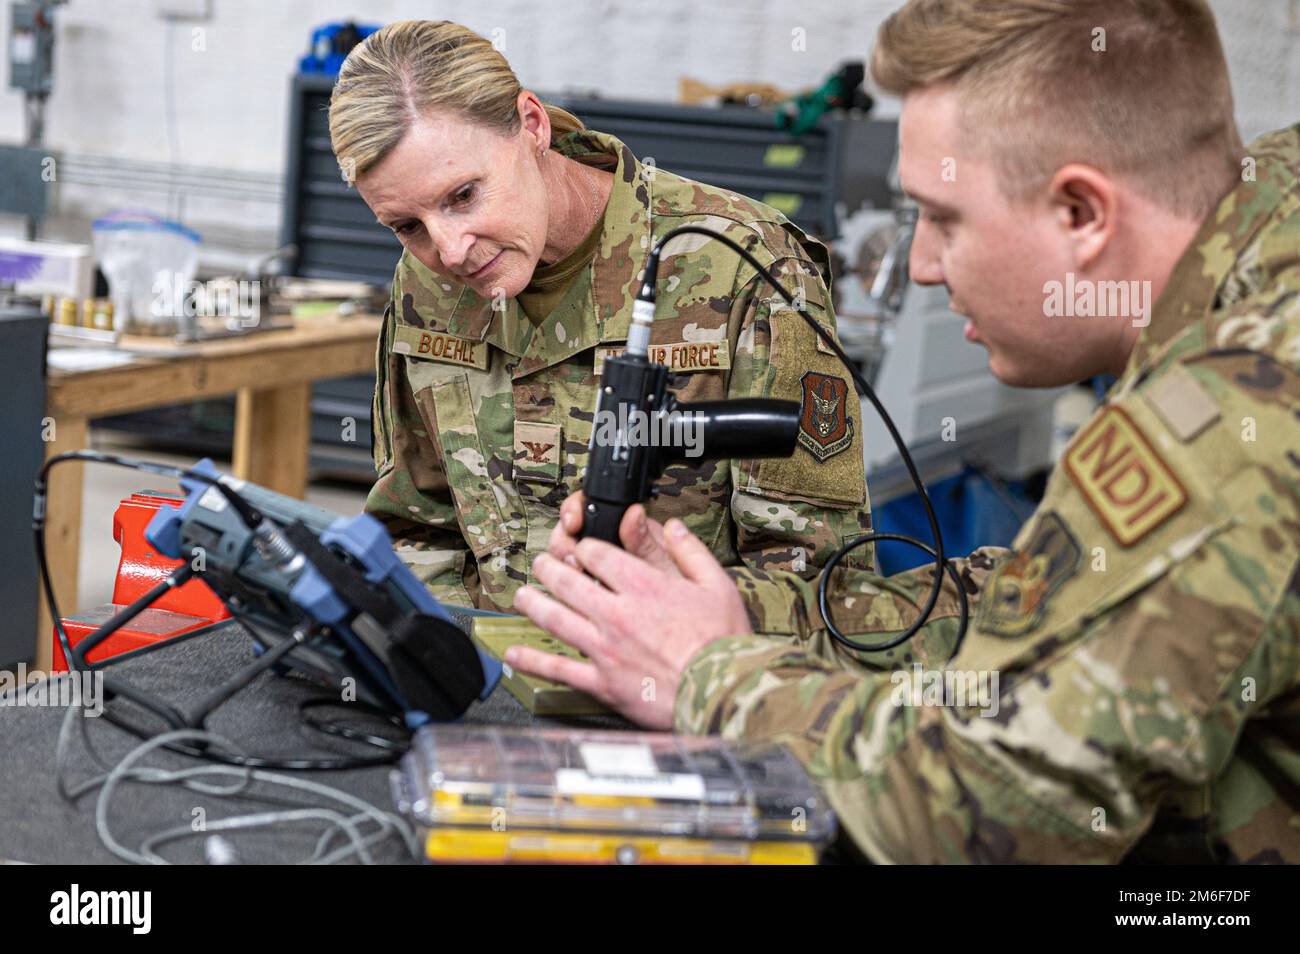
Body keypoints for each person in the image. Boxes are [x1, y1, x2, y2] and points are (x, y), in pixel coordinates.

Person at [505, 0, 1300, 863]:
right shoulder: (1268, 203)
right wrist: (755, 624)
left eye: (944, 218)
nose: (920, 265)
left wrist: (708, 674)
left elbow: (997, 809)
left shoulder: (1229, 414)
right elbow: (1067, 605)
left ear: (1082, 214)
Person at [327, 19, 873, 631]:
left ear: (532, 126)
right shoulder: (426, 281)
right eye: (408, 226)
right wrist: (447, 667)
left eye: (463, 195)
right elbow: (415, 526)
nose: (450, 250)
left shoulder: (746, 268)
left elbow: (820, 581)